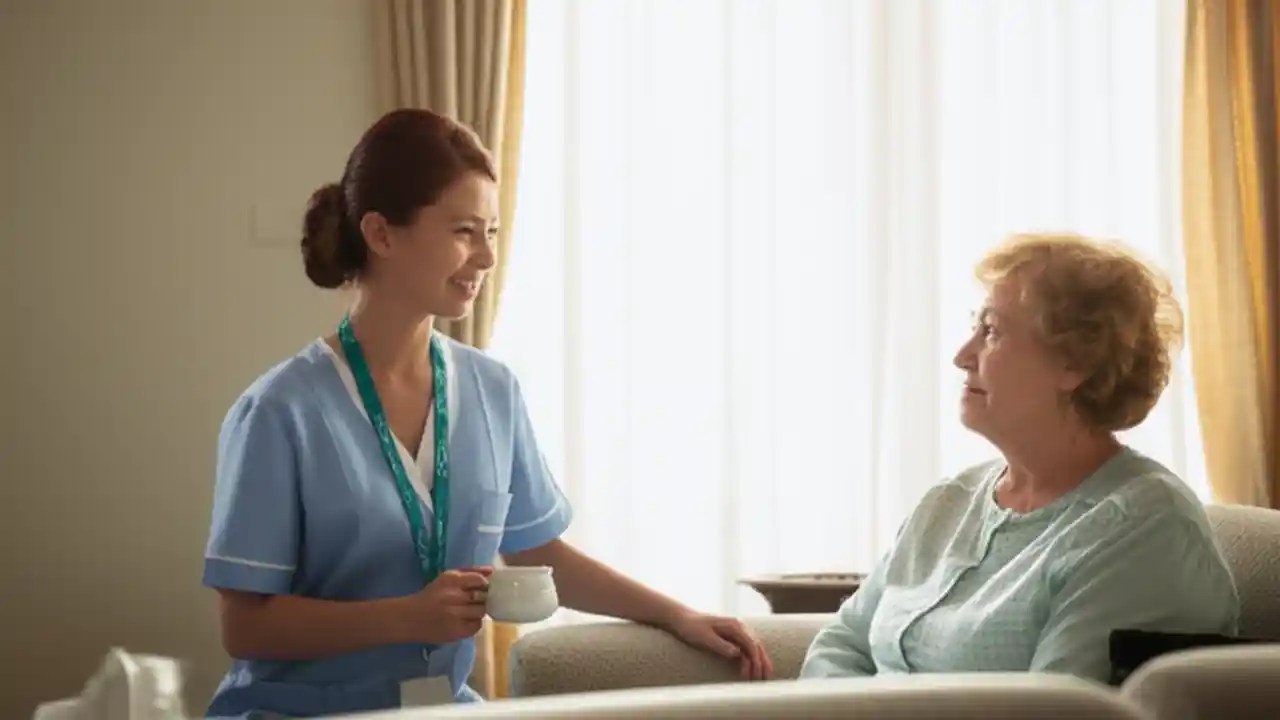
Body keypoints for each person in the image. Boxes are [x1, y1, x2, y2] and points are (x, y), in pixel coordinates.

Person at [202, 108, 772, 719]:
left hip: (447, 709)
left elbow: (539, 554)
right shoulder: (279, 411)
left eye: (492, 233)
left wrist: (678, 615)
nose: (485, 258)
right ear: (382, 234)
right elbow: (247, 627)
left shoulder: (492, 390)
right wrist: (406, 617)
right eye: (463, 231)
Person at [800, 233, 1240, 684]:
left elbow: (1052, 710)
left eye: (991, 331)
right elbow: (844, 641)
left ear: (1075, 364)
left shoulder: (1146, 527)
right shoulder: (950, 501)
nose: (962, 356)